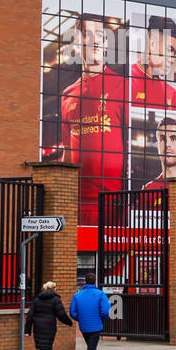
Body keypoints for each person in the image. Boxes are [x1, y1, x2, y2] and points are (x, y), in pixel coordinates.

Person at [59, 15, 128, 224]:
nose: (97, 41)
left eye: (101, 36)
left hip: (112, 204)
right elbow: (67, 152)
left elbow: (129, 146)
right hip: (76, 205)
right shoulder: (67, 95)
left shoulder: (122, 86)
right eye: (89, 35)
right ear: (77, 42)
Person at [25, 281, 72, 350]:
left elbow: (29, 315)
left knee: (47, 348)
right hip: (49, 327)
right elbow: (61, 314)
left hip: (37, 328)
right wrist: (69, 322)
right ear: (54, 289)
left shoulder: (37, 299)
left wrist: (27, 330)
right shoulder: (55, 299)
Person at [69, 273, 110, 350]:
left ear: (85, 282)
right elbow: (105, 311)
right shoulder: (100, 294)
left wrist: (80, 318)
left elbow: (72, 312)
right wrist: (101, 319)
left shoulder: (77, 295)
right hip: (96, 326)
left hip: (84, 327)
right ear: (95, 281)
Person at [141, 117, 176, 188]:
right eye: (163, 139)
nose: (167, 144)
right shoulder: (147, 189)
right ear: (158, 147)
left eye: (173, 138)